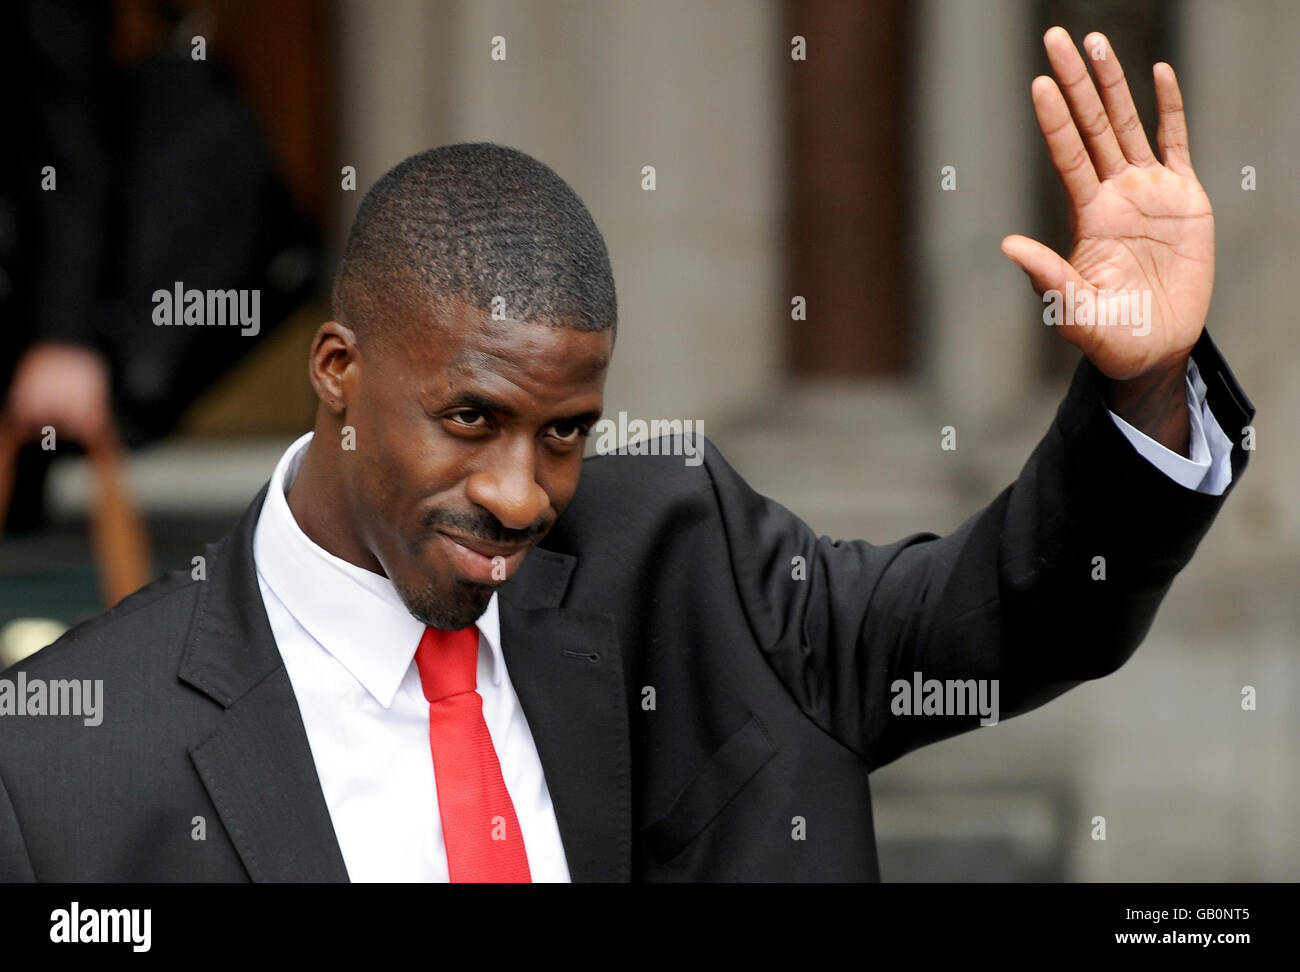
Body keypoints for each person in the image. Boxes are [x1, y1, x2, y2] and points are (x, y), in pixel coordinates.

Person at [0, 28, 1255, 882]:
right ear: (339, 374)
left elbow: (1000, 622)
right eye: (471, 420)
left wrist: (1137, 381)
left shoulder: (677, 559)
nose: (517, 496)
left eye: (565, 435)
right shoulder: (64, 761)